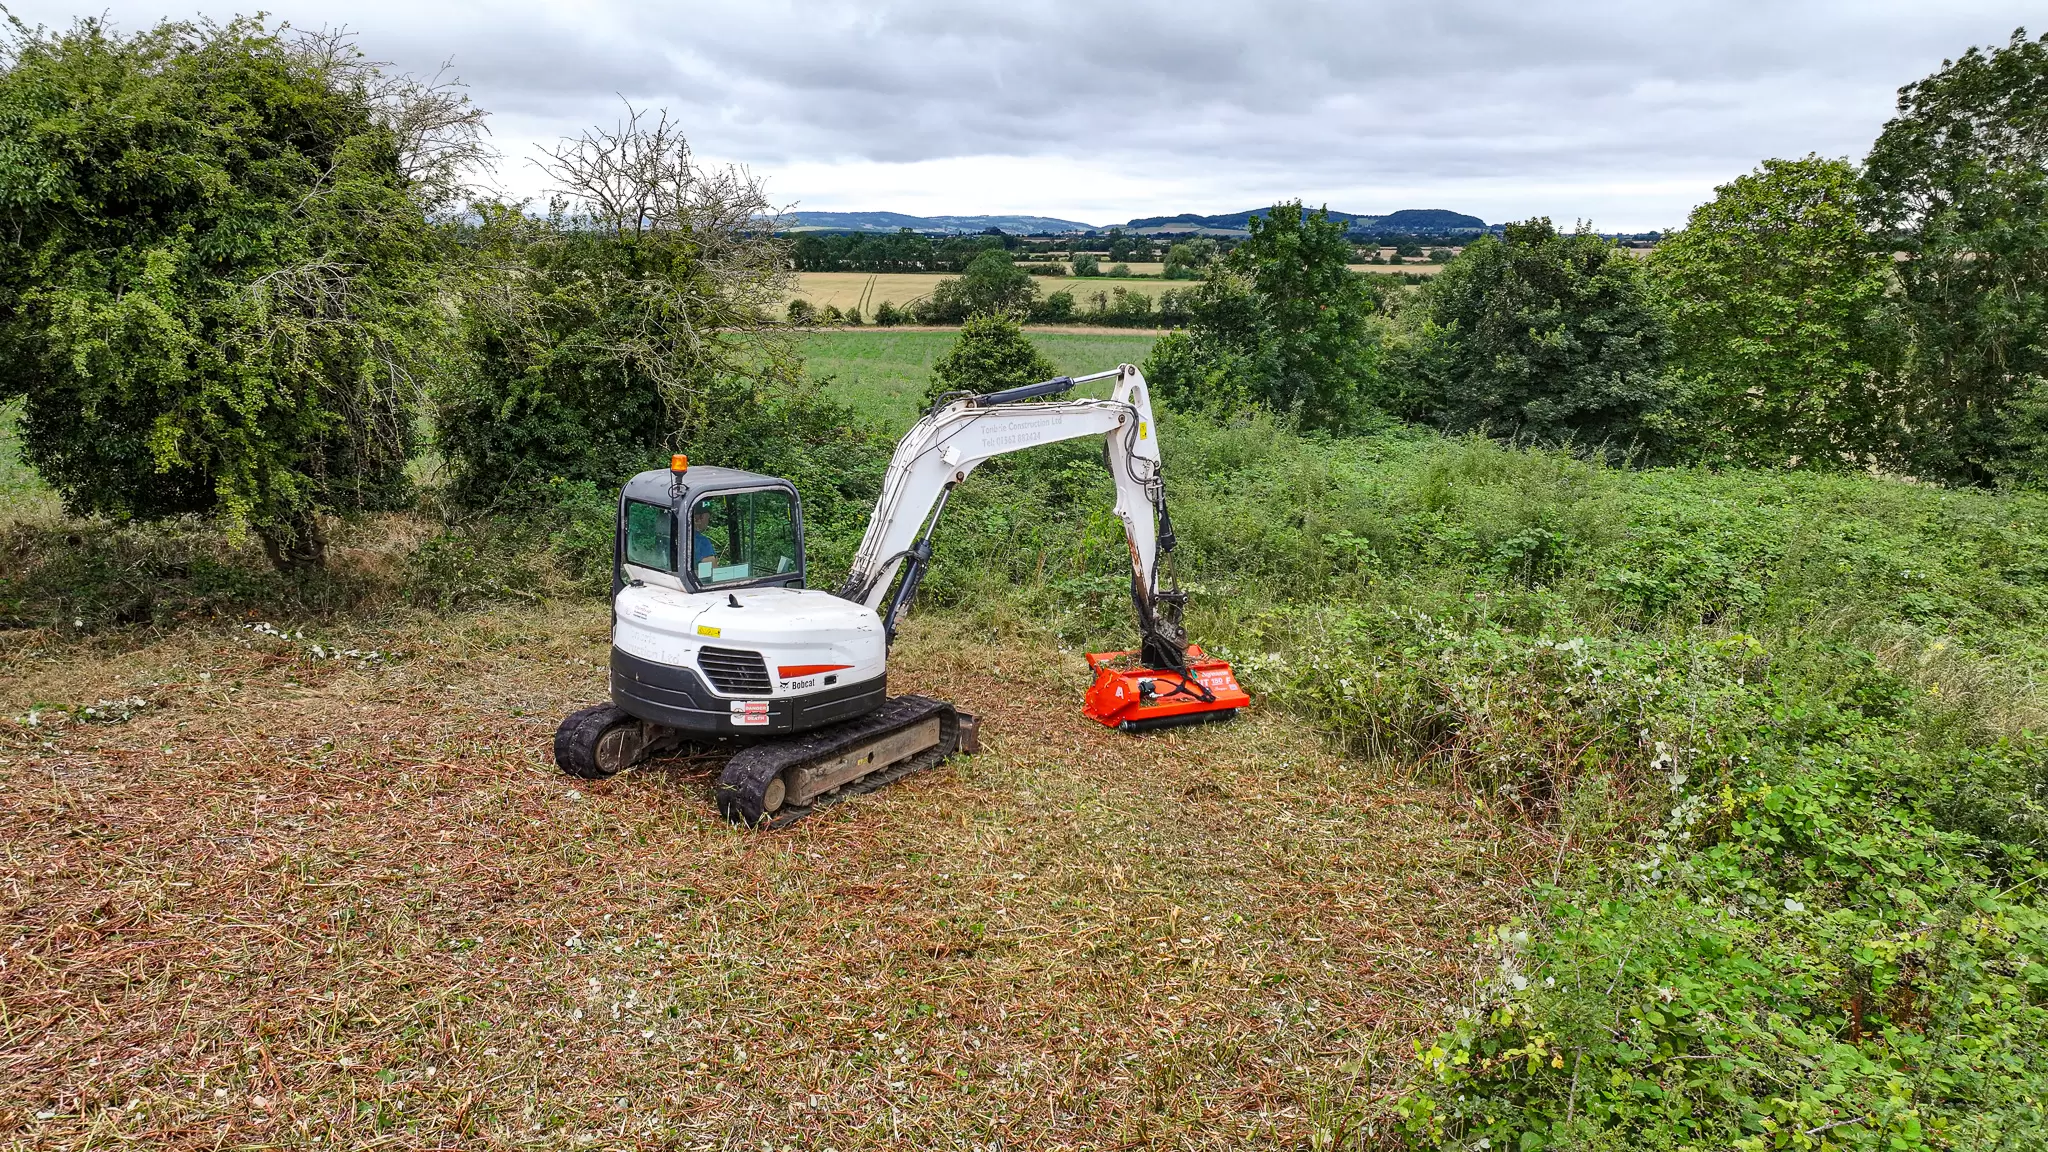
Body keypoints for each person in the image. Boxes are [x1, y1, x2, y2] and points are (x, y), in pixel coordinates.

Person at [691, 505, 718, 570]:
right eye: (708, 518)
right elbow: (710, 571)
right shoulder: (702, 542)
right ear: (700, 518)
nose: (708, 522)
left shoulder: (677, 536)